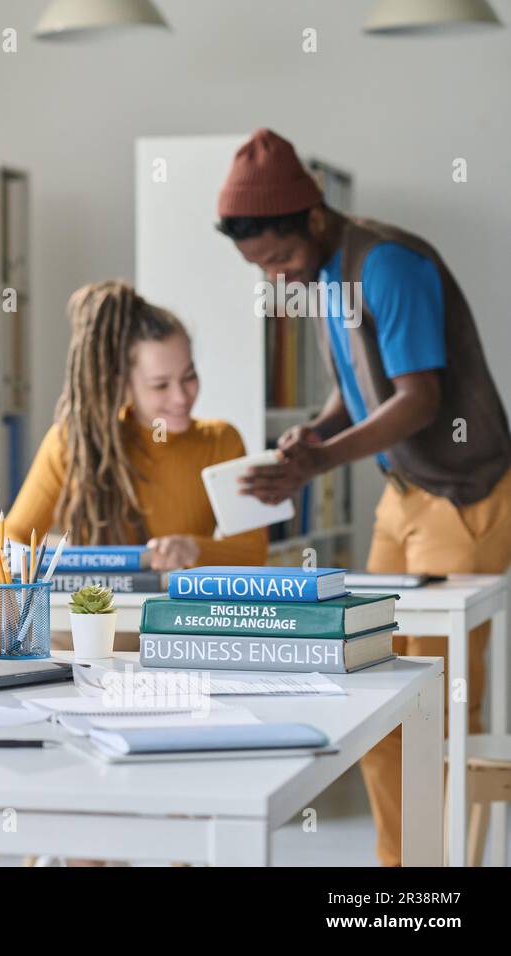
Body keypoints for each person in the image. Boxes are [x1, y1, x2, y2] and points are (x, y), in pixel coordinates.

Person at [219, 128, 511, 866]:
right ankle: (401, 872)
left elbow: (419, 398)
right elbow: (358, 384)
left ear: (315, 220)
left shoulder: (387, 263)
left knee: (438, 707)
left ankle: (434, 882)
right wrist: (311, 433)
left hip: (466, 495)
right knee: (374, 690)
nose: (280, 278)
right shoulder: (325, 278)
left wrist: (316, 463)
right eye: (265, 269)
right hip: (403, 494)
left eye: (281, 259)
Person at [4, 280, 267, 569]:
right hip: (94, 611)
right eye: (160, 385)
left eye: (189, 376)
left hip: (180, 612)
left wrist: (192, 549)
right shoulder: (72, 444)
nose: (181, 397)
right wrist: (66, 555)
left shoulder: (223, 442)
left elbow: (252, 553)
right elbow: (11, 541)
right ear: (124, 385)